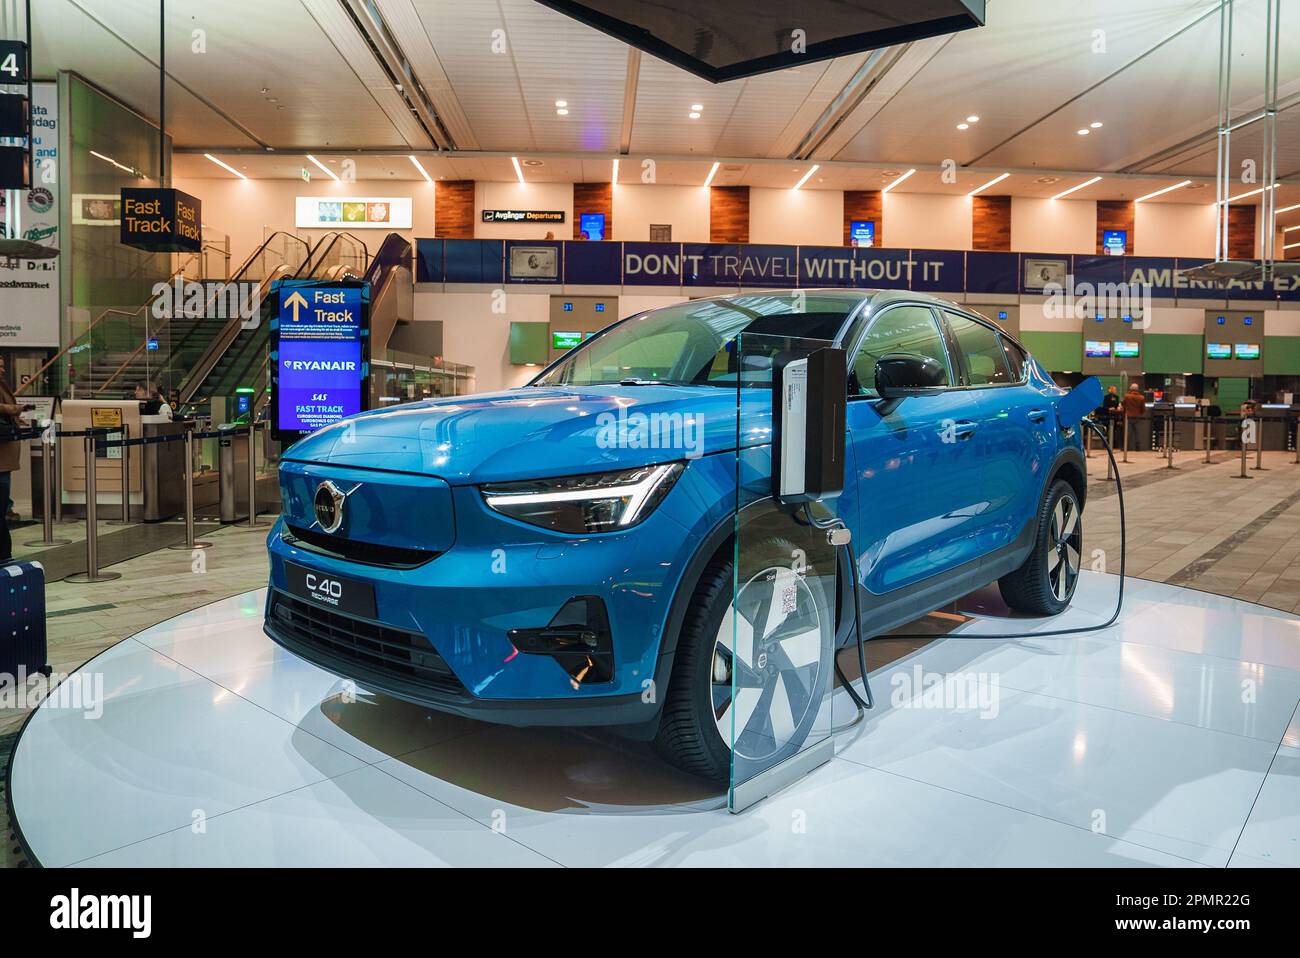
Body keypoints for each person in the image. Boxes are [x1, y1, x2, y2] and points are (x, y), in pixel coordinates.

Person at [0, 356, 35, 561]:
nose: (3, 370)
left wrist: (16, 416)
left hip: (5, 458)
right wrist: (17, 409)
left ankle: (5, 555)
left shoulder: (3, 384)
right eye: (0, 366)